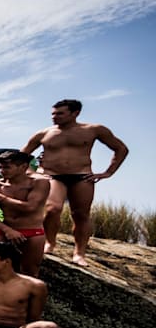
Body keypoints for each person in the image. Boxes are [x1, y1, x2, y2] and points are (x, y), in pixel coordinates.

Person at [21, 99, 128, 266]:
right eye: (53, 114)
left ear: (75, 113)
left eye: (60, 113)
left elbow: (121, 149)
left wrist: (108, 172)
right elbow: (23, 155)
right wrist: (32, 173)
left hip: (82, 176)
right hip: (52, 176)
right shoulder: (44, 133)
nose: (54, 117)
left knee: (80, 215)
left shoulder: (93, 130)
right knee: (52, 209)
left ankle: (79, 254)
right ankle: (50, 243)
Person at [0, 151, 50, 275]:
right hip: (3, 231)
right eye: (0, 167)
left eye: (7, 167)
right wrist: (7, 230)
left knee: (29, 272)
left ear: (23, 167)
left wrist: (0, 198)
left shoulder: (39, 182)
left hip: (32, 232)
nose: (2, 171)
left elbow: (31, 207)